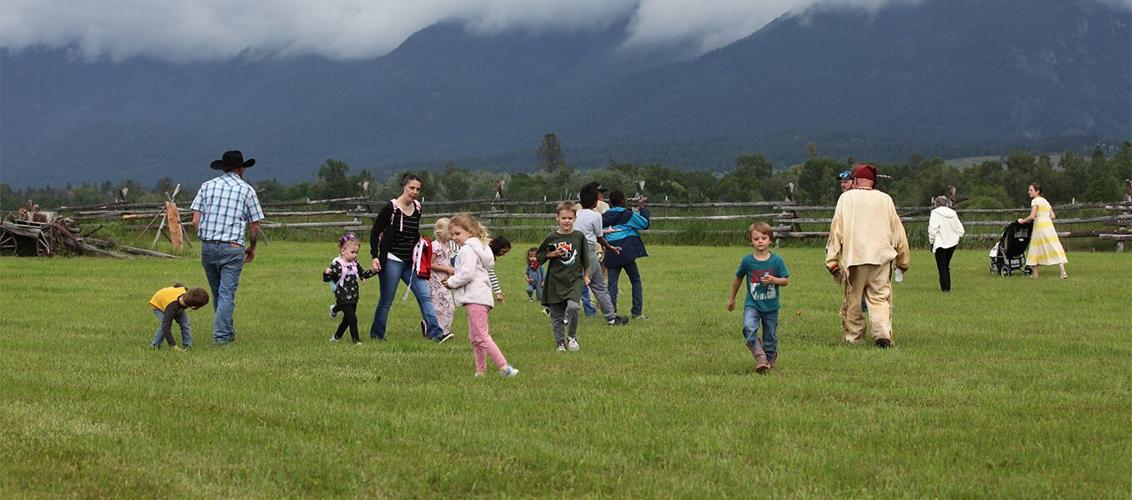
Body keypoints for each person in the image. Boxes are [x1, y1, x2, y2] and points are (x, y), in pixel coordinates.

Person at [825, 163, 910, 348]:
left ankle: (854, 338)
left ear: (855, 180)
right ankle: (882, 334)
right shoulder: (886, 199)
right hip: (881, 258)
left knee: (854, 300)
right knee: (880, 297)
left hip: (854, 257)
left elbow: (836, 229)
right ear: (874, 182)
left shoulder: (846, 199)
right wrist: (903, 261)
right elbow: (898, 232)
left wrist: (831, 260)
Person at [191, 150, 264, 345]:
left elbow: (195, 221)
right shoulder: (247, 190)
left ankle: (227, 332)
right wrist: (253, 247)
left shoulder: (207, 186)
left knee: (218, 293)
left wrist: (205, 237)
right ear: (240, 169)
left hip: (207, 247)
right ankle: (222, 337)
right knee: (226, 294)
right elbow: (255, 225)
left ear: (223, 168)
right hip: (231, 247)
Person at [368, 173, 452, 343]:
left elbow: (414, 233)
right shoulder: (391, 208)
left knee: (425, 295)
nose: (414, 192)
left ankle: (436, 333)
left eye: (418, 189)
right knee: (386, 300)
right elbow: (375, 231)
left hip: (411, 263)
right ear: (404, 187)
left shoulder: (418, 208)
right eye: (412, 188)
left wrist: (421, 247)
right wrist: (375, 256)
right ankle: (377, 335)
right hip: (392, 259)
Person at [443, 213, 519, 378]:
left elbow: (467, 274)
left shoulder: (467, 250)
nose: (454, 238)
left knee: (482, 336)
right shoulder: (480, 248)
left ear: (470, 231)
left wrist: (451, 282)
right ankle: (480, 371)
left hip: (475, 297)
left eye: (457, 233)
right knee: (475, 337)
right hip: (478, 298)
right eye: (452, 234)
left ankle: (505, 367)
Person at [726, 223, 790, 373]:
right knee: (748, 327)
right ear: (751, 241)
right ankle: (760, 356)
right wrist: (732, 299)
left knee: (770, 337)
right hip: (752, 304)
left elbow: (785, 281)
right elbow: (738, 279)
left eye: (764, 237)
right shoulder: (747, 261)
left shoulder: (777, 261)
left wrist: (774, 280)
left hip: (771, 307)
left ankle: (769, 360)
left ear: (770, 240)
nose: (760, 241)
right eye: (756, 238)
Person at [536, 202, 591, 352]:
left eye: (570, 218)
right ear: (557, 218)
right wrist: (551, 254)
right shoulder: (551, 237)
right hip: (555, 280)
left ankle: (572, 337)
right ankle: (560, 342)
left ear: (574, 219)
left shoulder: (579, 236)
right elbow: (538, 257)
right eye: (563, 218)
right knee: (557, 314)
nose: (566, 221)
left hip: (574, 279)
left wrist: (586, 275)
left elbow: (585, 257)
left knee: (573, 307)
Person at [575, 184, 630, 326]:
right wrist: (610, 247)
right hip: (590, 252)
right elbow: (598, 237)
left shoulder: (576, 214)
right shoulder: (596, 216)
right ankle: (611, 318)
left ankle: (562, 314)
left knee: (576, 284)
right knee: (598, 286)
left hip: (575, 251)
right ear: (595, 202)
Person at [602, 190, 650, 319]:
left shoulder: (604, 216)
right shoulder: (627, 215)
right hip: (626, 252)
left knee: (612, 284)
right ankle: (637, 312)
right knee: (635, 281)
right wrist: (642, 208)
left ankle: (612, 314)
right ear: (623, 201)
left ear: (610, 202)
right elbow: (644, 224)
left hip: (611, 252)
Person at [324, 232, 377, 345]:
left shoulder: (355, 263)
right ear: (342, 251)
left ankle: (336, 337)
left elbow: (362, 274)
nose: (355, 255)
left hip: (353, 295)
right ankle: (356, 340)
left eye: (356, 253)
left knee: (347, 320)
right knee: (353, 319)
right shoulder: (338, 264)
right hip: (342, 295)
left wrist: (373, 271)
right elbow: (329, 278)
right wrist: (327, 273)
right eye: (352, 252)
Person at [1017, 183, 1068, 279]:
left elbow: (1032, 216)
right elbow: (1053, 216)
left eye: (1031, 190)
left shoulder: (1035, 201)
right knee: (1054, 246)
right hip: (1049, 226)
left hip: (1040, 227)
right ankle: (1063, 272)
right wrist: (1045, 218)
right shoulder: (1045, 201)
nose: (1029, 192)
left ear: (1037, 191)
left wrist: (1022, 221)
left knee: (1035, 249)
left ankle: (1035, 274)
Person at [148, 284, 209, 351]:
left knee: (185, 323)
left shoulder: (187, 293)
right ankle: (154, 346)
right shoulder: (171, 308)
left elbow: (178, 285)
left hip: (173, 303)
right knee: (164, 323)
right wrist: (173, 345)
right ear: (193, 307)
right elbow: (166, 327)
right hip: (158, 305)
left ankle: (188, 346)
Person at [927, 196, 965, 292]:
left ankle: (945, 288)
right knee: (946, 265)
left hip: (940, 243)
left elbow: (932, 229)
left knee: (942, 266)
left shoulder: (935, 213)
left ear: (936, 204)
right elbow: (961, 230)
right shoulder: (953, 214)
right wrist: (956, 237)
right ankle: (947, 286)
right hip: (952, 243)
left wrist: (931, 242)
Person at [428, 218, 457, 338]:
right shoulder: (436, 246)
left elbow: (447, 261)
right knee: (440, 306)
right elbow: (430, 264)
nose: (452, 236)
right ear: (441, 232)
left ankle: (443, 329)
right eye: (450, 233)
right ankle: (440, 332)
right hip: (435, 281)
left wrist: (450, 272)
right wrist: (446, 269)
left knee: (449, 305)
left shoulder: (448, 246)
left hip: (445, 280)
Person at [487, 236, 512, 303]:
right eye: (503, 251)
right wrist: (498, 293)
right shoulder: (488, 255)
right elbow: (491, 274)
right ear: (497, 247)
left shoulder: (486, 249)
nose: (504, 255)